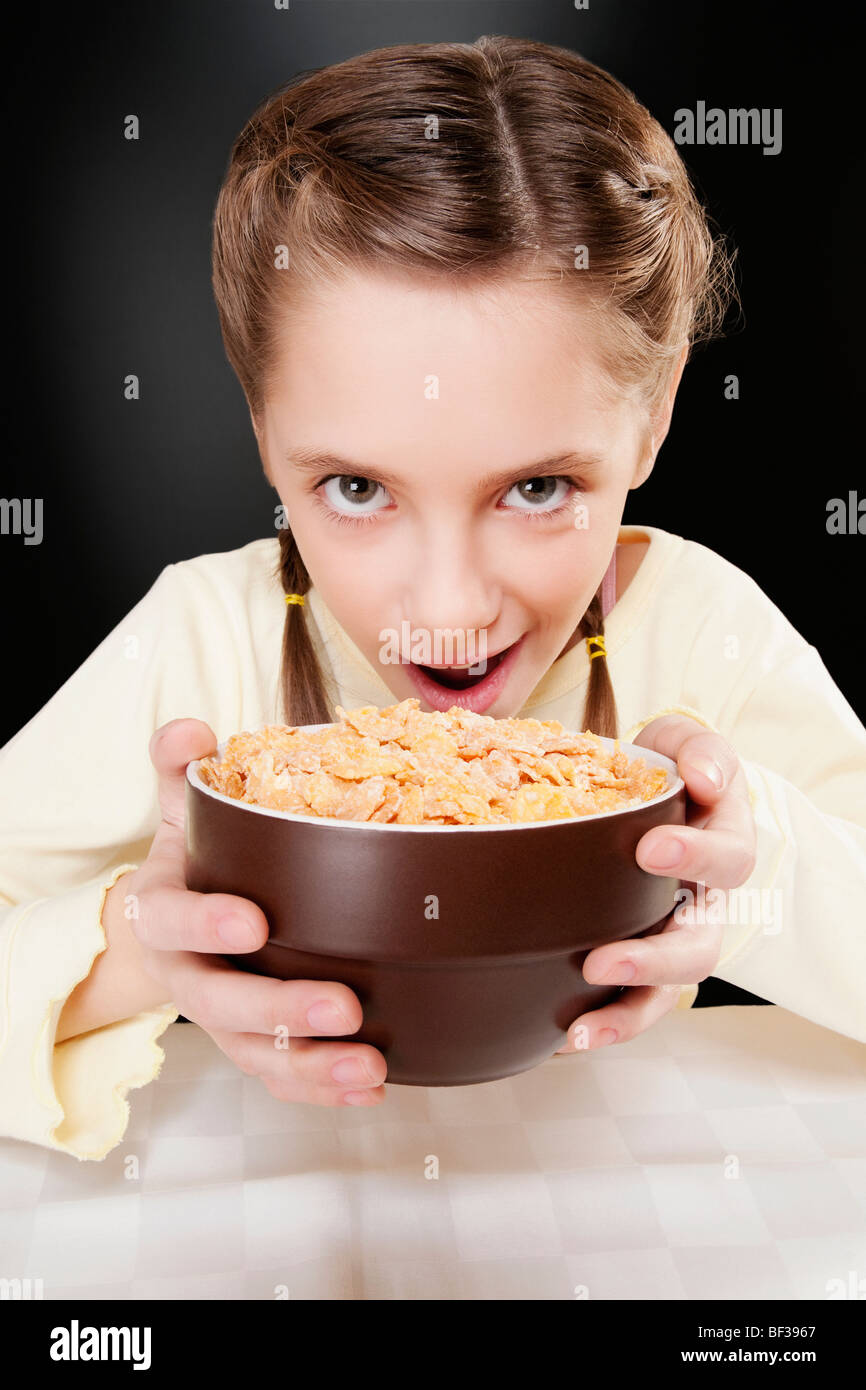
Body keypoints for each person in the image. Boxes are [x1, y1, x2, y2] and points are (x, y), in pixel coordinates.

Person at [1, 36, 863, 1162]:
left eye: (537, 489)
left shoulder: (706, 634)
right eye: (357, 489)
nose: (449, 612)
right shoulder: (199, 641)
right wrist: (140, 945)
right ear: (262, 433)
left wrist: (749, 873)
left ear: (652, 416)